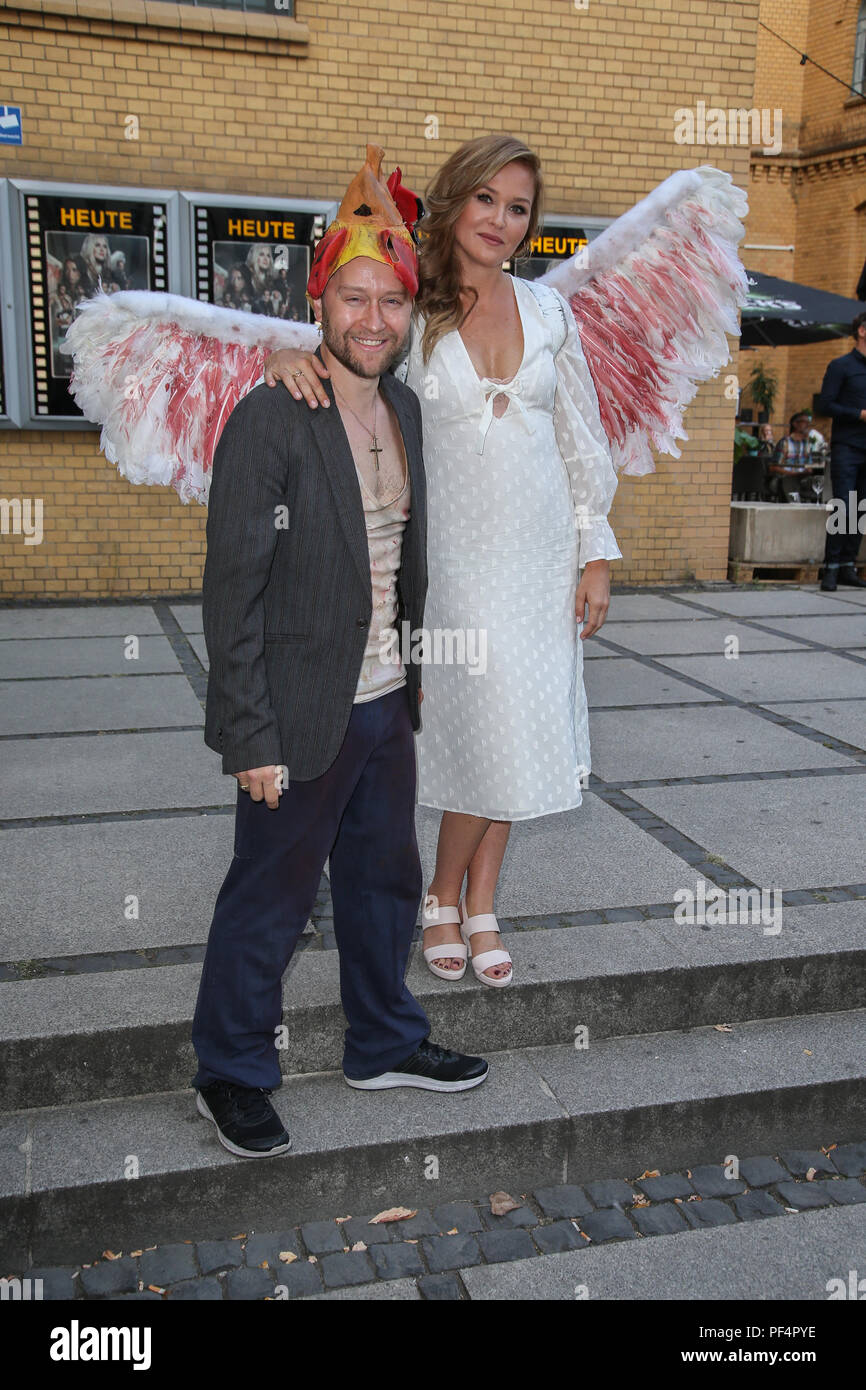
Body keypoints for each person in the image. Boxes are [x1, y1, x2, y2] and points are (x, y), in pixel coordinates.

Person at [264, 134, 622, 988]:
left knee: (529, 730)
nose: (501, 219)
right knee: (485, 731)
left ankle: (480, 899)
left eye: (519, 207)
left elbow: (580, 440)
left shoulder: (551, 314)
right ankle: (439, 894)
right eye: (487, 199)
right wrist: (287, 358)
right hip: (455, 565)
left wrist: (595, 550)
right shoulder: (411, 307)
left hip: (542, 559)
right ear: (456, 201)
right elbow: (346, 352)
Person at [191, 147, 488, 1160]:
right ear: (319, 300)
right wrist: (248, 736)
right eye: (353, 296)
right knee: (268, 900)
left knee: (381, 885)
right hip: (296, 713)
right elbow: (231, 591)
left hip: (383, 701)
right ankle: (228, 1070)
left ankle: (384, 1041)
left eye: (391, 300)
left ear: (409, 309)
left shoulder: (401, 408)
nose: (373, 318)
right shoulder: (270, 417)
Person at [818, 313, 866, 590]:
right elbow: (825, 406)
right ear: (861, 330)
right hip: (847, 447)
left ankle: (848, 566)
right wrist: (858, 414)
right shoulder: (841, 366)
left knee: (861, 509)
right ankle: (831, 569)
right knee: (844, 506)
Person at [768, 412, 823, 503]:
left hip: (802, 478)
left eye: (808, 422)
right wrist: (792, 473)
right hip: (786, 477)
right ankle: (793, 506)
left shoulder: (806, 444)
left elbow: (809, 466)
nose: (807, 425)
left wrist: (808, 471)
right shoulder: (785, 443)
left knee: (820, 482)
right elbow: (773, 467)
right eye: (804, 422)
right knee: (789, 481)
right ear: (795, 424)